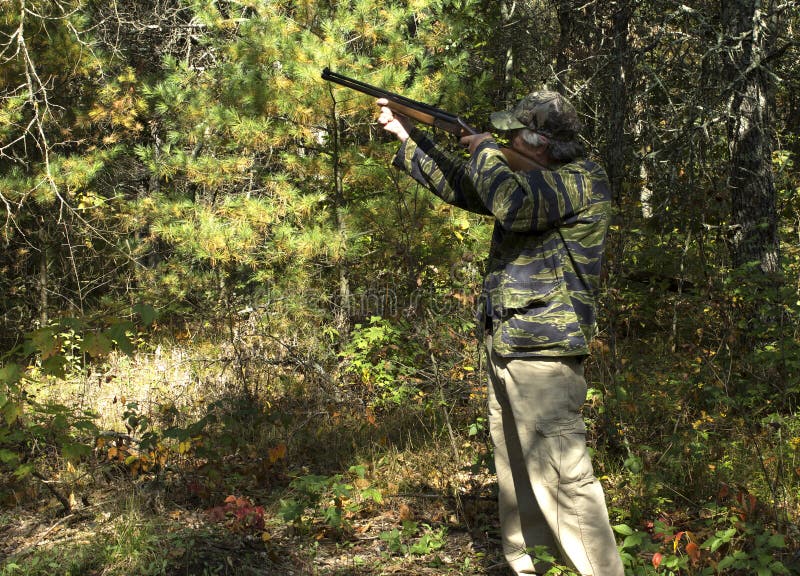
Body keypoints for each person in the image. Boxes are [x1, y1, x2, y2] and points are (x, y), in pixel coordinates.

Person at [376, 91, 624, 576]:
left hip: (544, 353)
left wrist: (486, 150)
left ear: (539, 141)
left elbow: (511, 205)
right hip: (509, 343)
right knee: (516, 474)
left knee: (564, 481)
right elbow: (466, 187)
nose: (505, 141)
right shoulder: (528, 178)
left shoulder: (581, 180)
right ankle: (530, 567)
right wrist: (409, 136)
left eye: (513, 135)